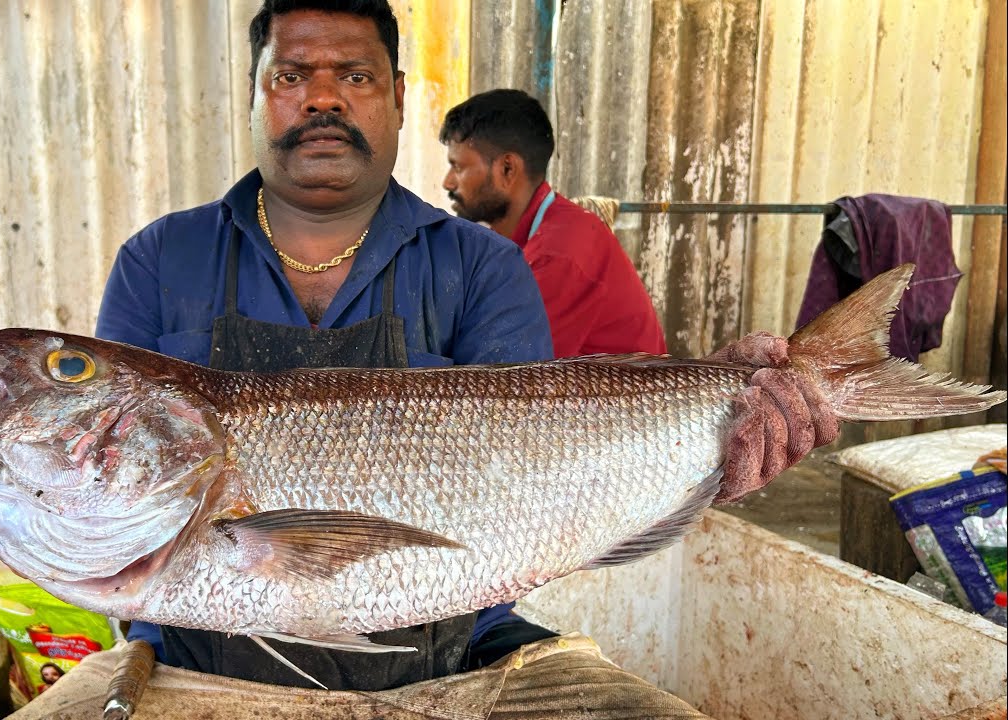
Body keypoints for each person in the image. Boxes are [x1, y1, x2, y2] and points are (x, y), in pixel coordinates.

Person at [91, 0, 834, 694]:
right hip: (192, 657)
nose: (323, 100)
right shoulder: (158, 259)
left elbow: (547, 472)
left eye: (355, 76)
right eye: (291, 76)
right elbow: (104, 482)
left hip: (446, 652)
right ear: (253, 95)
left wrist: (710, 439)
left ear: (399, 97)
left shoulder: (482, 265)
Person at [441, 88, 666, 358]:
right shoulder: (532, 235)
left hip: (623, 400)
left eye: (458, 167)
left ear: (507, 169)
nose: (448, 182)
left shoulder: (557, 255)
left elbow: (510, 375)